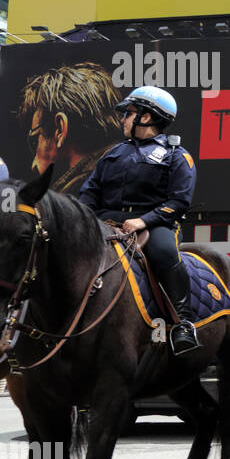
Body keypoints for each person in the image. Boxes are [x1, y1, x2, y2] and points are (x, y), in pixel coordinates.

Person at [78, 86, 200, 356]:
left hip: (154, 226)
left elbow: (179, 202)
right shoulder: (111, 154)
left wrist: (142, 221)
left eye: (128, 113)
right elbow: (89, 193)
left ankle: (183, 322)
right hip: (104, 223)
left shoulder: (177, 156)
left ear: (146, 117)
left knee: (166, 253)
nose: (122, 119)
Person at [18, 63, 126, 196]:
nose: (33, 164)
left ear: (60, 129)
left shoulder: (70, 203)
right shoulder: (135, 174)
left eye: (35, 140)